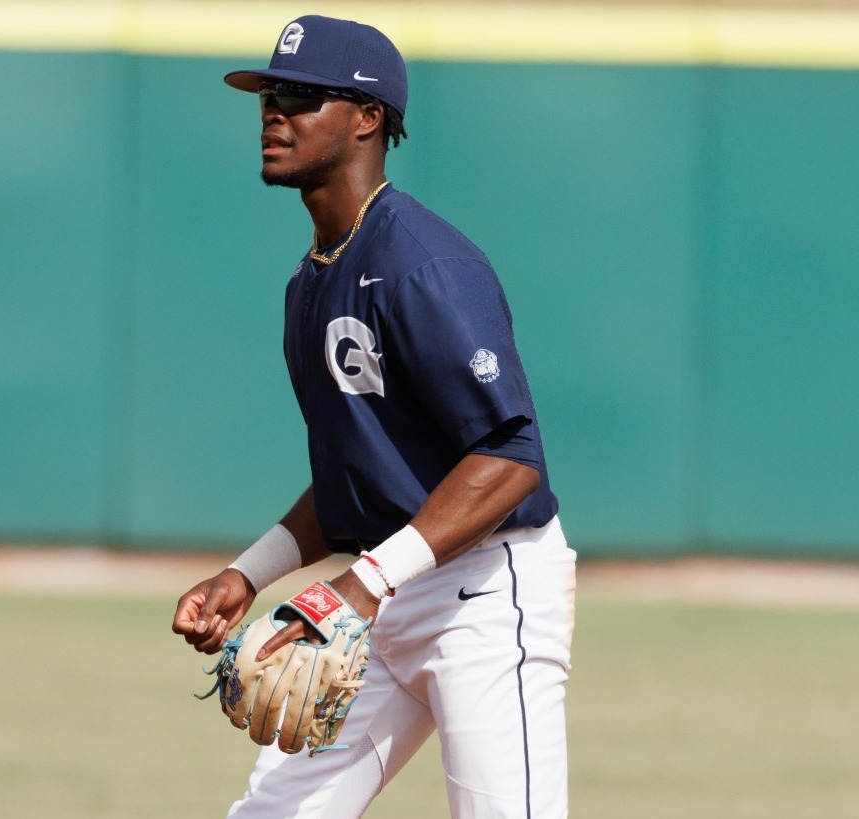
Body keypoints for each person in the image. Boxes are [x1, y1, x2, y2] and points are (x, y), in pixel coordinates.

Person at [171, 15, 575, 819]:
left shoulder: (424, 264)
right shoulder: (311, 282)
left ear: (366, 117)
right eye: (266, 96)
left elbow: (511, 453)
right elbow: (358, 476)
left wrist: (361, 583)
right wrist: (248, 571)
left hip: (487, 592)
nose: (271, 113)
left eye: (297, 96)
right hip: (383, 592)